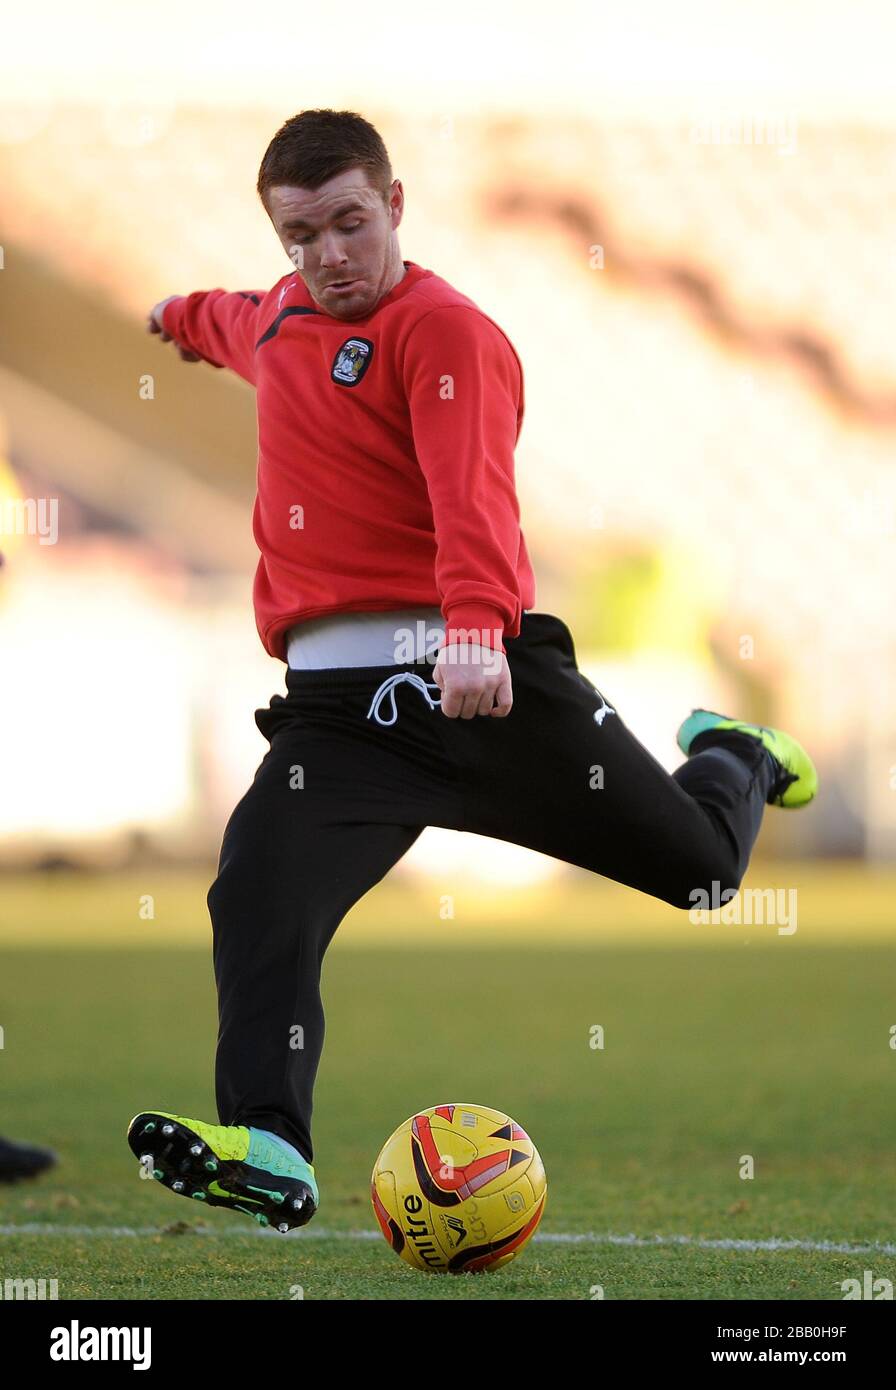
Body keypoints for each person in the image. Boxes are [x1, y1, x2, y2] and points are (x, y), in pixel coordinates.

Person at [127, 109, 817, 1234]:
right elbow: (224, 315)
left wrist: (475, 625)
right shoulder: (276, 316)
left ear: (394, 205)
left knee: (699, 875)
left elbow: (472, 491)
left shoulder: (443, 332)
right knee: (256, 891)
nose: (330, 253)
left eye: (350, 222)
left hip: (474, 678)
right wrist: (169, 316)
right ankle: (270, 1143)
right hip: (340, 721)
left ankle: (733, 754)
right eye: (301, 234)